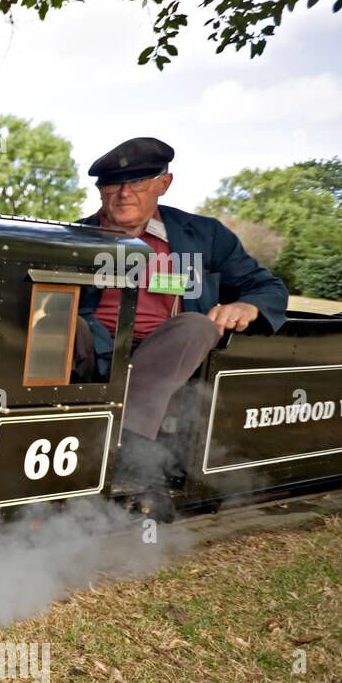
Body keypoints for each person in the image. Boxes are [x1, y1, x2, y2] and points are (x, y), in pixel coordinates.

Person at [72, 137, 288, 507]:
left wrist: (248, 307)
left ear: (163, 183)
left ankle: (129, 450)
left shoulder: (204, 235)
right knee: (61, 322)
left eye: (138, 183)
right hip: (94, 349)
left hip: (170, 350)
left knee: (197, 324)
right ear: (99, 190)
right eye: (113, 185)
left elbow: (265, 286)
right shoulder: (71, 237)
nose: (124, 194)